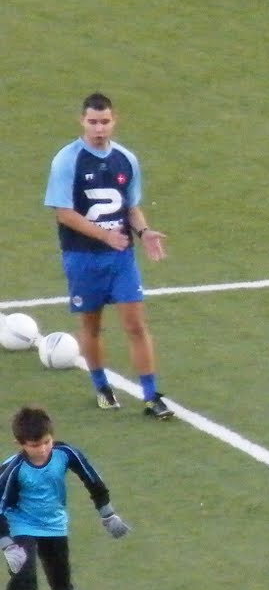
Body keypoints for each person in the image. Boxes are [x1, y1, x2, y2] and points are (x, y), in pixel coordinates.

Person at [45, 92, 174, 419]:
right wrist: (105, 235)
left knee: (136, 324)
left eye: (104, 122)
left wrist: (144, 233)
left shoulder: (126, 159)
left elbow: (130, 206)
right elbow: (64, 213)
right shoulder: (67, 160)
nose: (99, 128)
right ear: (82, 121)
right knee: (92, 324)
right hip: (82, 256)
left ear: (114, 121)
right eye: (93, 122)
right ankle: (102, 386)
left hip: (121, 258)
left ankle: (150, 395)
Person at [0, 406, 132, 590]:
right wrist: (7, 545)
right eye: (35, 445)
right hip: (19, 523)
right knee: (25, 578)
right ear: (20, 443)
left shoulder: (65, 453)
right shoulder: (13, 471)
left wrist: (108, 514)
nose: (43, 449)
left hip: (53, 523)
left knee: (59, 571)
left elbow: (92, 479)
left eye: (47, 442)